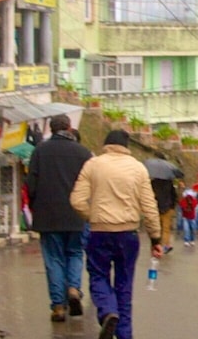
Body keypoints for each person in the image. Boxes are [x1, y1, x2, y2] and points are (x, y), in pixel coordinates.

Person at [70, 130, 165, 339]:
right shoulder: (138, 168)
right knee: (124, 286)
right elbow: (150, 207)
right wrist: (156, 239)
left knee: (98, 276)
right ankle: (124, 334)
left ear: (106, 145)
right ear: (126, 147)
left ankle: (107, 311)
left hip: (100, 232)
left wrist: (92, 216)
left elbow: (77, 200)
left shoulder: (93, 164)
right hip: (128, 234)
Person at [27, 116, 94, 322]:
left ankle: (58, 306)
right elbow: (91, 185)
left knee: (53, 258)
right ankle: (73, 288)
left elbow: (31, 184)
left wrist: (35, 206)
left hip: (48, 215)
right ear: (69, 128)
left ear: (51, 129)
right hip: (76, 214)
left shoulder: (40, 151)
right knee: (75, 253)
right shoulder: (83, 153)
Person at [145, 154, 184, 254]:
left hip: (155, 207)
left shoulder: (152, 183)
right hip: (167, 208)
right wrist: (173, 206)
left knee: (156, 228)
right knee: (166, 228)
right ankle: (164, 245)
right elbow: (174, 195)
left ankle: (155, 245)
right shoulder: (169, 183)